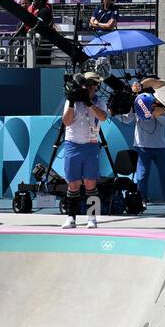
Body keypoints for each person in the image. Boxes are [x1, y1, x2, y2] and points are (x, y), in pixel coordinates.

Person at [118, 80, 165, 209]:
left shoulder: (160, 105)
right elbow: (128, 119)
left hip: (160, 146)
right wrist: (116, 113)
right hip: (142, 145)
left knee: (164, 174)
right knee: (142, 174)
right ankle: (141, 199)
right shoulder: (138, 104)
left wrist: (154, 113)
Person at [60, 72, 106, 229]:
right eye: (87, 86)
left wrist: (89, 104)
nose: (89, 89)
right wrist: (72, 102)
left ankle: (92, 218)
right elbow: (66, 122)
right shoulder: (71, 100)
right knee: (73, 183)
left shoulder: (99, 102)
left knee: (90, 183)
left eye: (92, 87)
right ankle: (70, 217)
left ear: (96, 87)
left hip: (91, 145)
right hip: (73, 144)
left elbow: (103, 117)